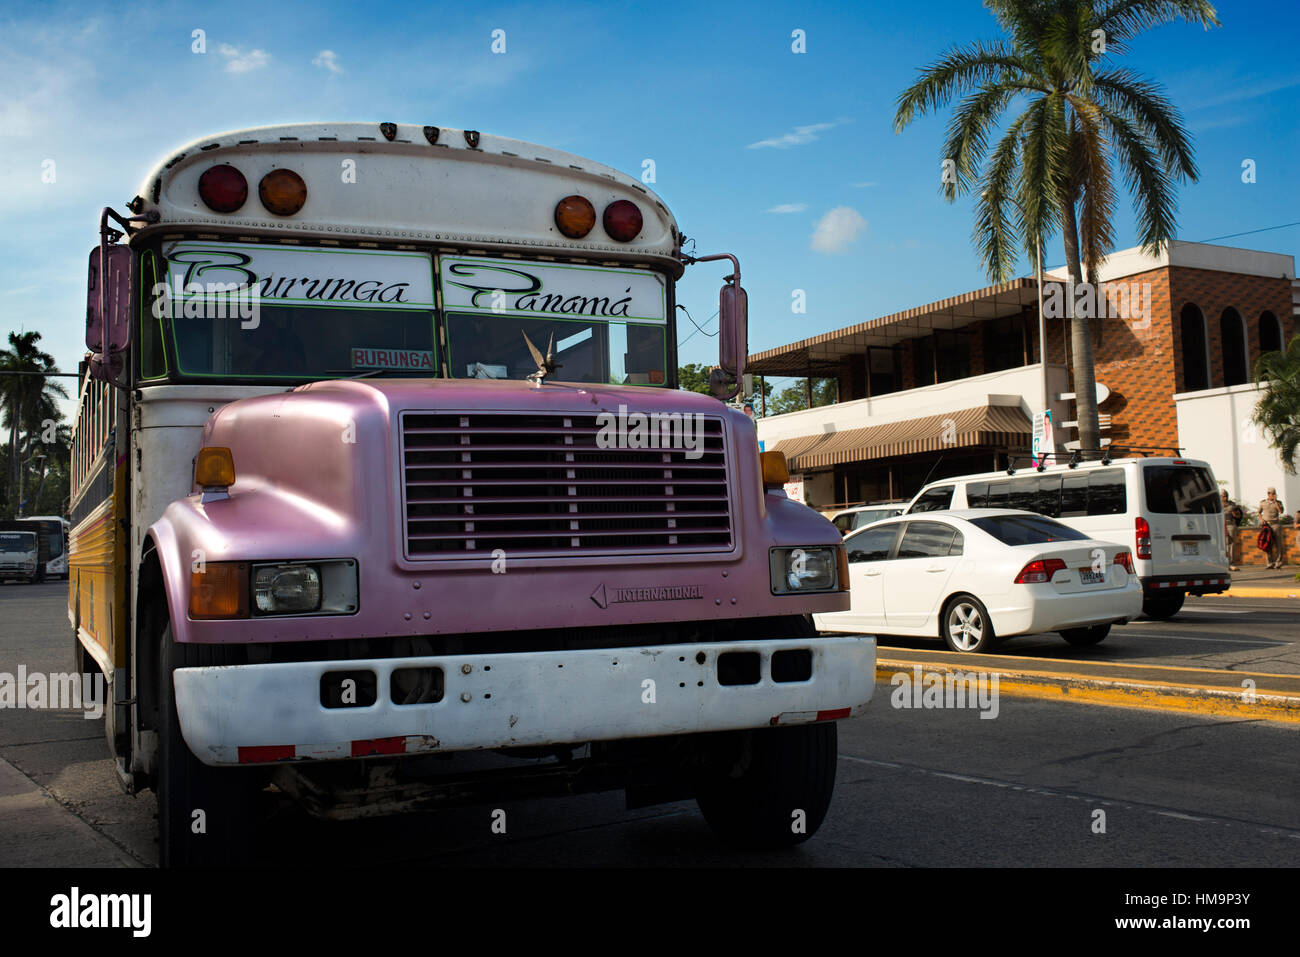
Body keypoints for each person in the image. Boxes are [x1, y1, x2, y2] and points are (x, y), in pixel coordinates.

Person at [1257, 487, 1286, 568]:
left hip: (1276, 524)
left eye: (1274, 493)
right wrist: (1262, 519)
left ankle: (1278, 562)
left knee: (1278, 544)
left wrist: (1275, 501)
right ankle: (1270, 563)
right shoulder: (1263, 503)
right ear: (1268, 494)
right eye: (1271, 493)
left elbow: (1281, 511)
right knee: (1268, 544)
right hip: (1267, 525)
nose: (1273, 495)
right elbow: (1258, 512)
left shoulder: (1278, 502)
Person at [1221, 490, 1242, 571]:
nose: (1225, 497)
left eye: (1226, 495)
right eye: (1223, 496)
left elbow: (1238, 515)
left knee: (1231, 544)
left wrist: (1235, 514)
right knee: (1223, 545)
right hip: (1221, 526)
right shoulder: (1218, 504)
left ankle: (1231, 563)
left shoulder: (1232, 504)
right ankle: (1224, 562)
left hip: (1230, 525)